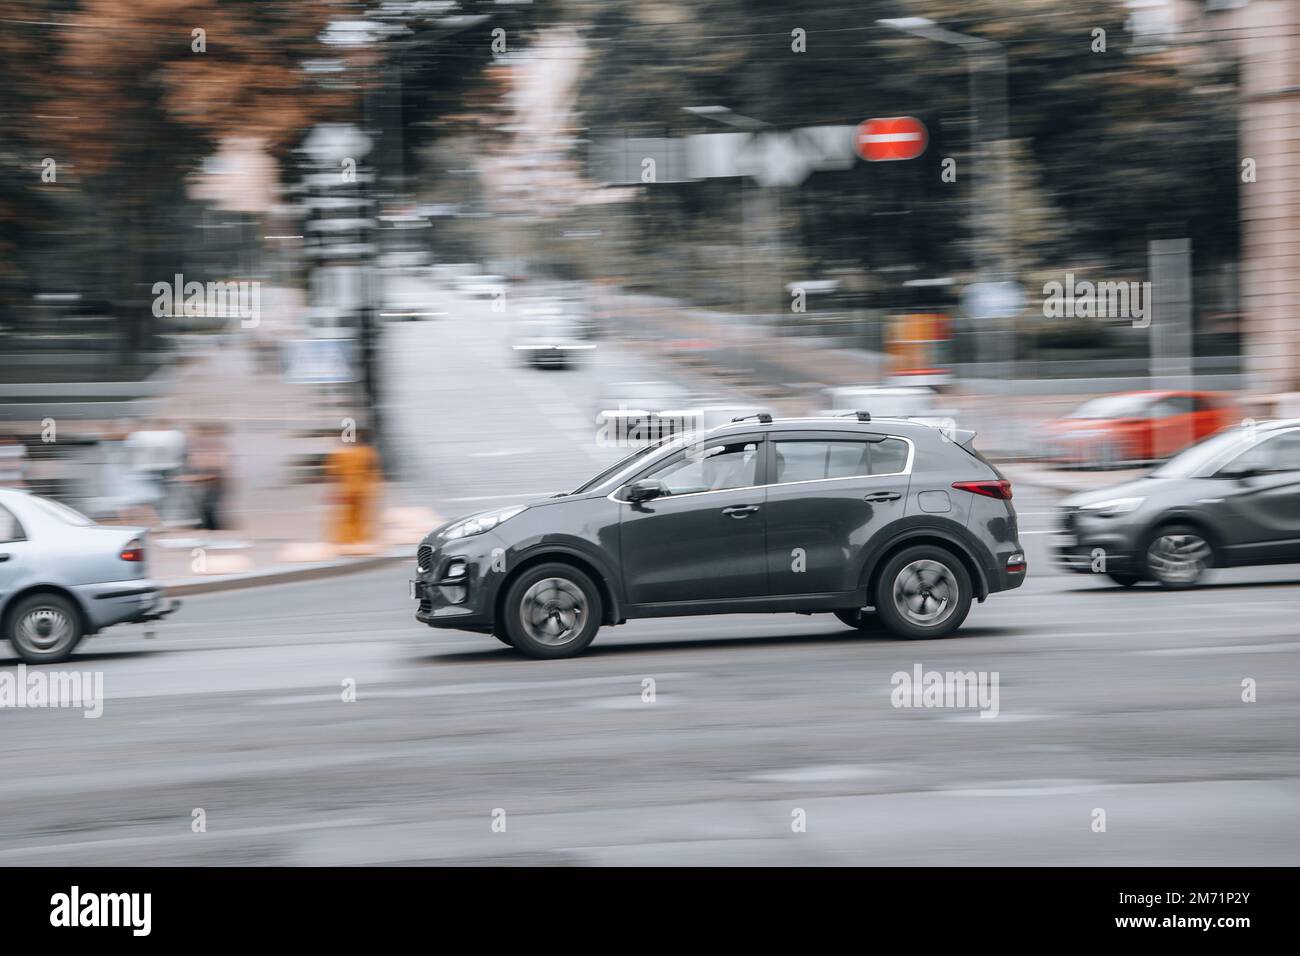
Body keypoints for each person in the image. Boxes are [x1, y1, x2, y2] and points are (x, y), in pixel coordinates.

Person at [325, 426, 380, 549]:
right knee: (360, 517)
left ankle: (347, 540)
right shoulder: (369, 452)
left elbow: (334, 474)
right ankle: (359, 540)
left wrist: (333, 490)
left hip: (346, 489)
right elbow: (372, 471)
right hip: (362, 489)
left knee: (347, 516)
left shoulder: (340, 453)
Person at [188, 422, 231, 531]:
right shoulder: (202, 445)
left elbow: (219, 465)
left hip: (215, 482)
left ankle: (212, 531)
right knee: (204, 509)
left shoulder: (214, 446)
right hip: (208, 483)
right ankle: (207, 529)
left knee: (208, 510)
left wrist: (198, 477)